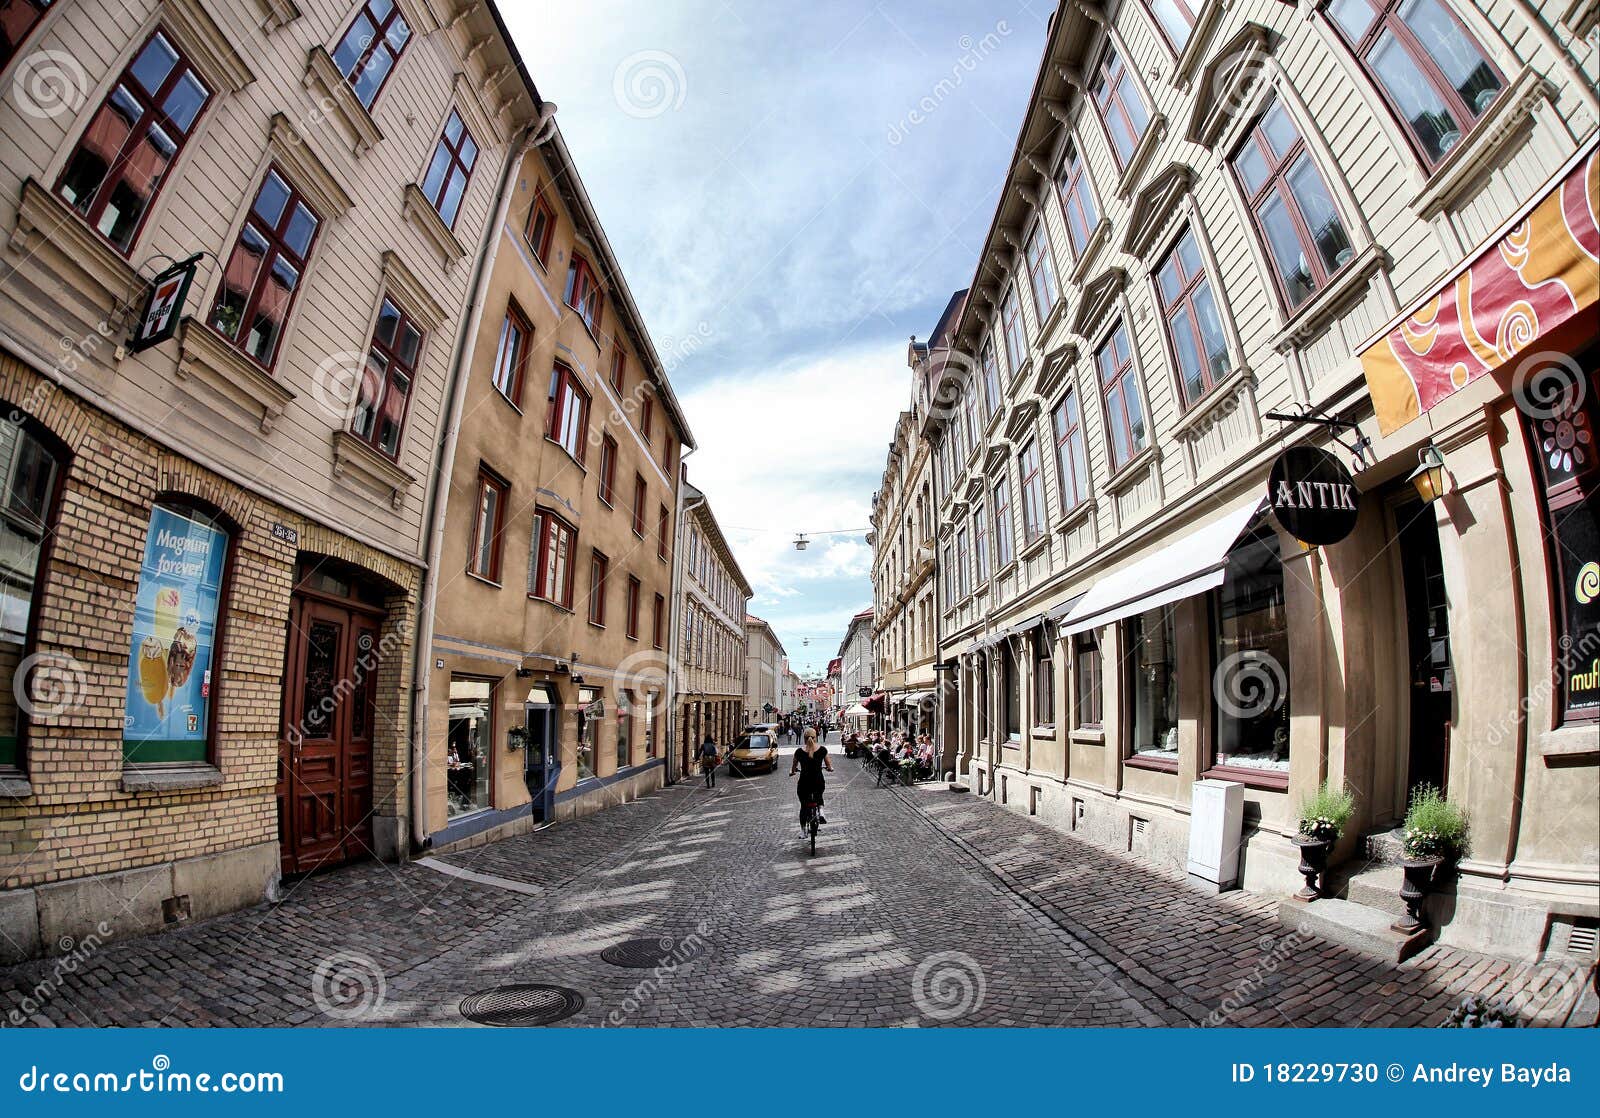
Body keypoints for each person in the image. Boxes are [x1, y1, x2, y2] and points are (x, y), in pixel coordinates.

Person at [789, 727, 833, 832]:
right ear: (816, 737)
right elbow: (829, 765)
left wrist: (792, 772)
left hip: (804, 782)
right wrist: (830, 769)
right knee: (819, 796)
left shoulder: (799, 752)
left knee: (803, 806)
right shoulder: (822, 750)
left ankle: (803, 831)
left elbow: (793, 767)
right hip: (818, 781)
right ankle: (821, 812)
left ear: (804, 739)